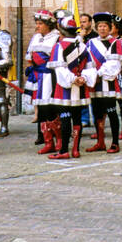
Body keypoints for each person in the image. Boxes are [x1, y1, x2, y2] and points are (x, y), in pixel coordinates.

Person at [46, 12, 89, 159]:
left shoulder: (59, 46)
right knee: (77, 118)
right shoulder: (83, 46)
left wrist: (72, 79)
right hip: (80, 86)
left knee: (65, 118)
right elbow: (90, 67)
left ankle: (64, 150)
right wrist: (82, 78)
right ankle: (75, 150)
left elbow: (60, 69)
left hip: (65, 88)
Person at [86, 12, 122, 153]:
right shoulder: (90, 43)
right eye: (100, 26)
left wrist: (98, 73)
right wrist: (90, 75)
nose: (102, 29)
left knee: (112, 112)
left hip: (108, 83)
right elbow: (87, 62)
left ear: (110, 28)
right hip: (94, 84)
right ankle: (100, 142)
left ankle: (115, 142)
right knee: (97, 113)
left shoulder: (116, 43)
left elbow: (114, 65)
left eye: (105, 26)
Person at [26, 10, 61, 152]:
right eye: (37, 23)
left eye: (40, 24)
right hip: (38, 77)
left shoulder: (57, 37)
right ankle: (47, 142)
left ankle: (58, 139)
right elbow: (30, 58)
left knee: (51, 109)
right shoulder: (36, 38)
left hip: (51, 77)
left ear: (48, 24)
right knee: (41, 110)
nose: (37, 26)